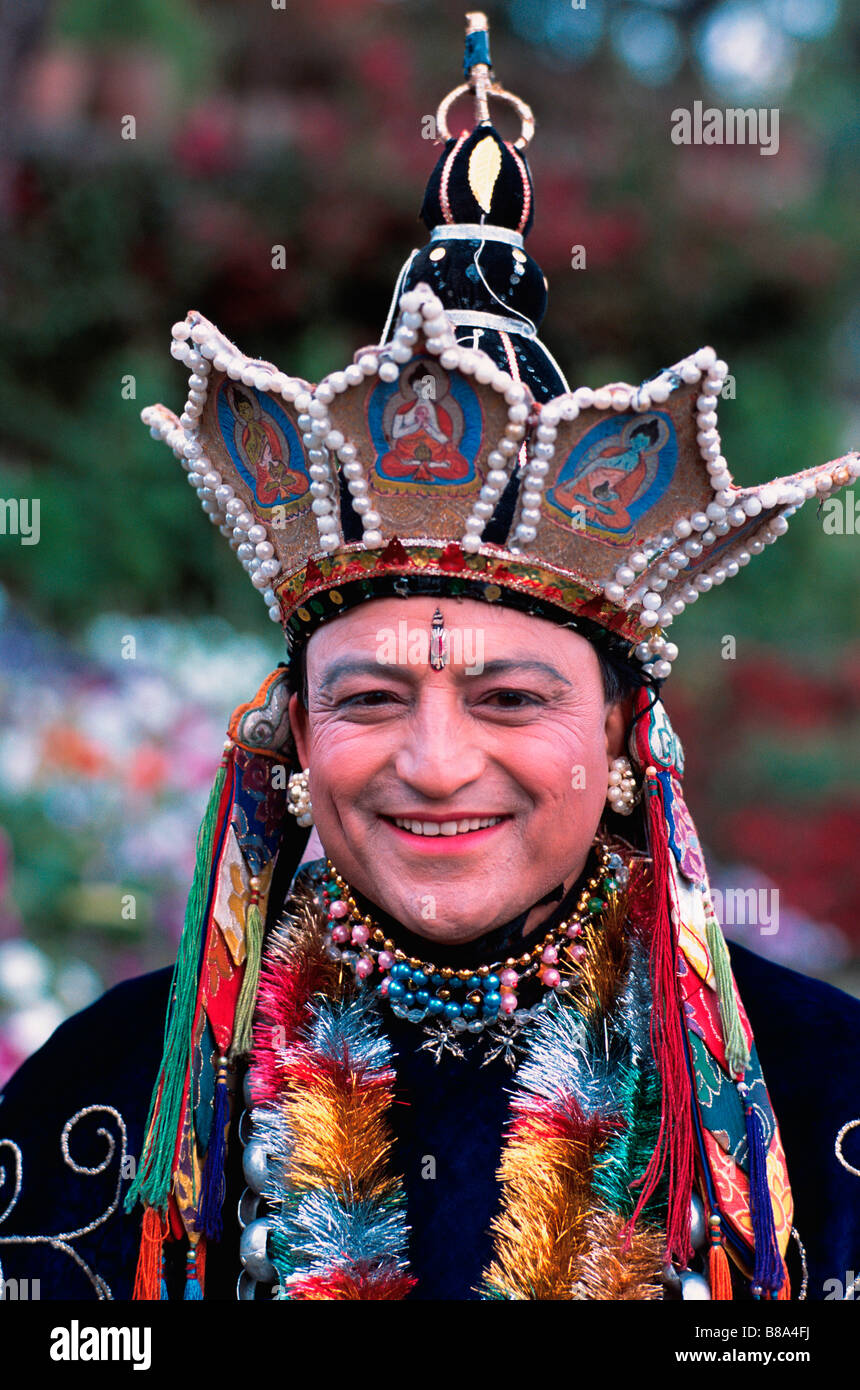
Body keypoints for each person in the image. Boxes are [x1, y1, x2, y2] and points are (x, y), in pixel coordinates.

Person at [1, 13, 858, 1304]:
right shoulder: (111, 1101)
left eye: (511, 695)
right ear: (290, 733)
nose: (436, 761)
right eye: (371, 695)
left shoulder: (820, 1101)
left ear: (628, 737)